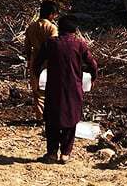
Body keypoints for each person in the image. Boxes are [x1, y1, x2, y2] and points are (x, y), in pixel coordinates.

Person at [34, 15, 99, 164]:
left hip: (53, 88)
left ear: (60, 28)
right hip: (73, 88)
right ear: (75, 30)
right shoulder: (80, 44)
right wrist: (93, 78)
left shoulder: (50, 43)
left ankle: (51, 154)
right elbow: (93, 65)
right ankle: (65, 154)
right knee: (71, 119)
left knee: (52, 120)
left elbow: (37, 62)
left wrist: (39, 77)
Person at [23, 0, 59, 119]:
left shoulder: (31, 27)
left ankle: (40, 116)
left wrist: (29, 60)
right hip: (49, 61)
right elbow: (54, 45)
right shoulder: (52, 28)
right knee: (51, 88)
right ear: (51, 14)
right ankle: (50, 116)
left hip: (35, 59)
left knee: (37, 91)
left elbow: (27, 46)